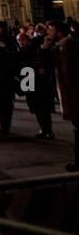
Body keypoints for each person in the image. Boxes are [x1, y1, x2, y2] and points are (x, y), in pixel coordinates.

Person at [52, 21, 78, 172]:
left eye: (51, 30)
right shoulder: (61, 46)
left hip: (72, 94)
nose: (49, 33)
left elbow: (68, 75)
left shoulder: (67, 47)